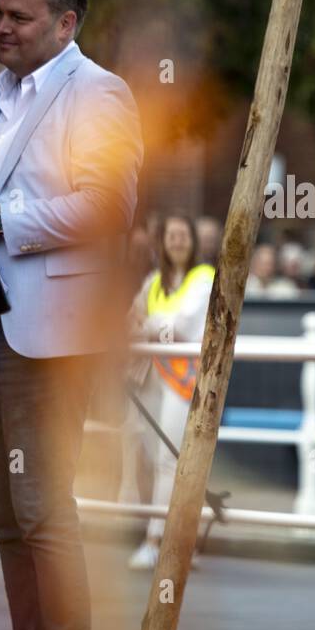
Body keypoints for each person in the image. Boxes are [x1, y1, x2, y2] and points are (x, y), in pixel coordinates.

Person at [0, 0, 143, 630]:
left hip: (47, 339)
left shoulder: (99, 93)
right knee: (5, 514)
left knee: (45, 509)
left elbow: (108, 208)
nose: (1, 26)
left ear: (64, 23)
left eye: (19, 16)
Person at [125, 214, 214, 569]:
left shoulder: (204, 278)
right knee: (153, 458)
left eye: (183, 234)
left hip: (184, 378)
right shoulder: (154, 281)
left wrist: (150, 327)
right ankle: (183, 540)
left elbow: (182, 325)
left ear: (193, 240)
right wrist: (154, 327)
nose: (176, 241)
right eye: (170, 235)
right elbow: (131, 321)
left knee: (169, 459)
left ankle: (155, 540)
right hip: (151, 377)